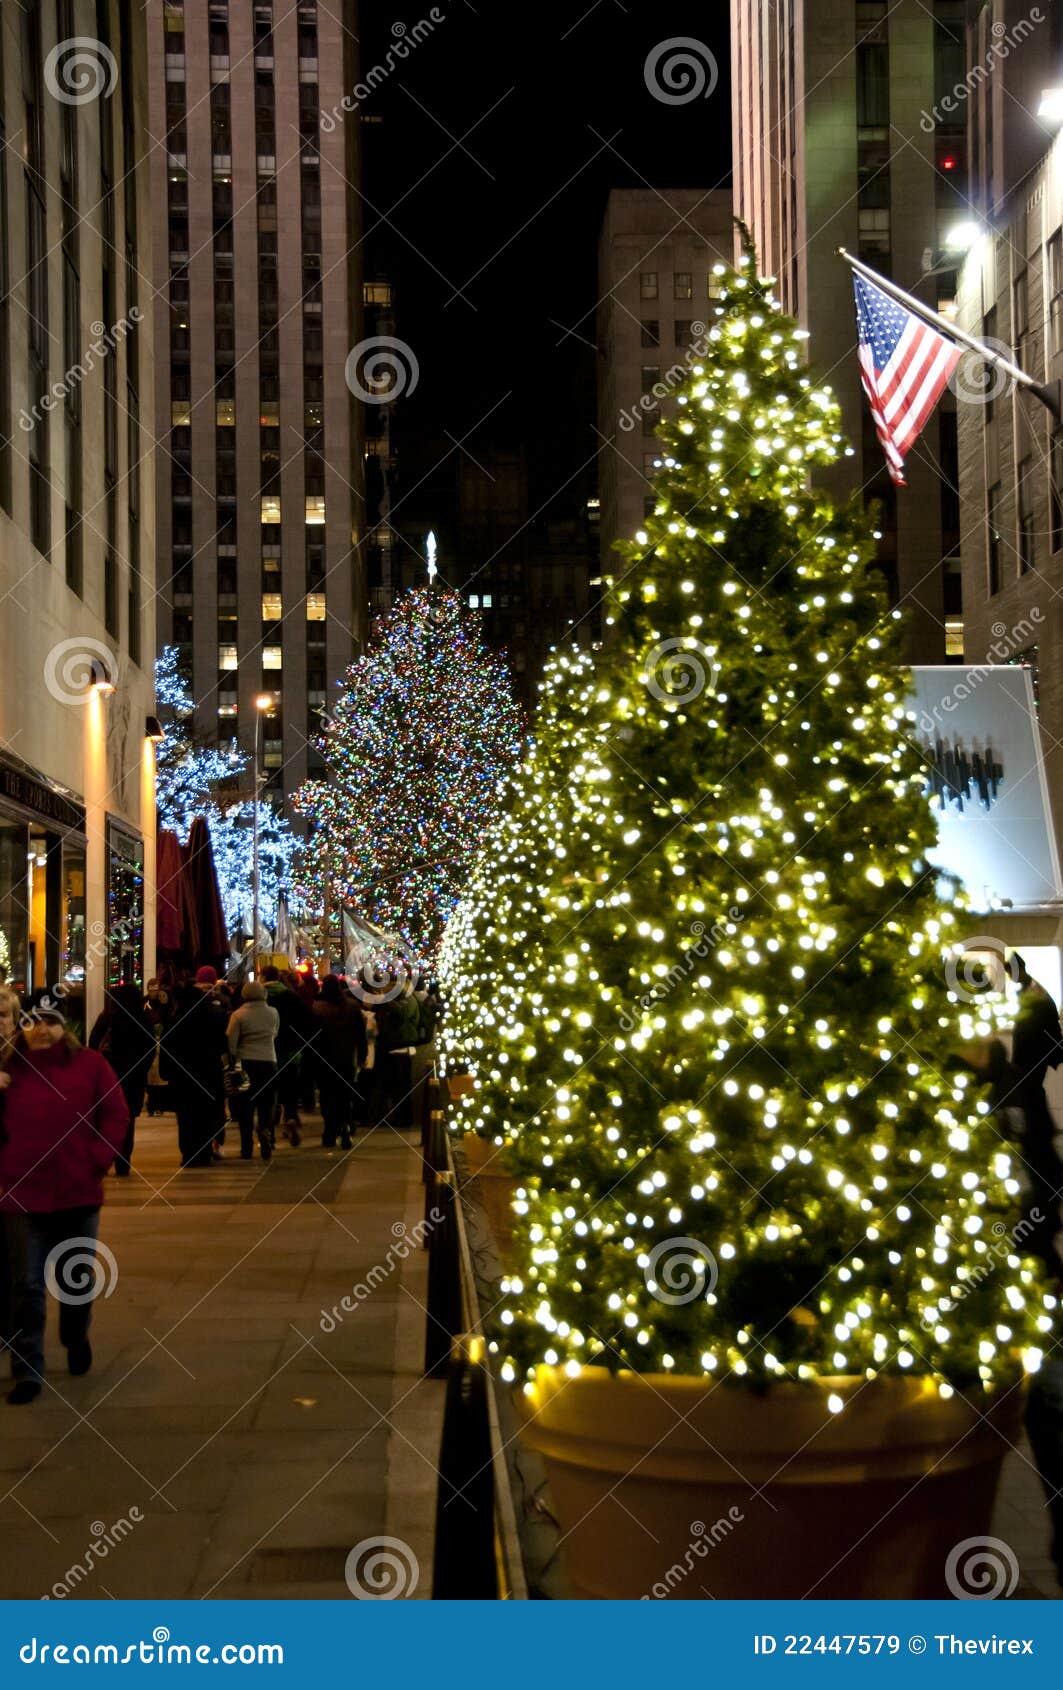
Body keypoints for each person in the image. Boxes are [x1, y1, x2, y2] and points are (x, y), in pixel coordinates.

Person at [0, 1002, 127, 1404]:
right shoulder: (10, 1070)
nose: (40, 1030)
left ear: (63, 1027)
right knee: (28, 1286)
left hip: (77, 1190)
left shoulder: (89, 1065)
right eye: (31, 1023)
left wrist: (96, 1160)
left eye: (49, 1022)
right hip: (21, 1191)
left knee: (76, 1279)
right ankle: (28, 1369)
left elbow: (115, 1114)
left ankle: (75, 1335)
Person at [1010, 954, 1063, 1270]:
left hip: (1028, 1084)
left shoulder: (1034, 998)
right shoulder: (1034, 995)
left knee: (1038, 1150)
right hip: (1029, 1085)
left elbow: (1043, 1040)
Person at [160, 968, 228, 1168]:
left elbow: (166, 1047)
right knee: (206, 1113)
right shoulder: (211, 1017)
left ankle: (188, 1152)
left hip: (183, 1077)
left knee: (186, 1116)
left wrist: (167, 1072)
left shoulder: (175, 1020)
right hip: (208, 1073)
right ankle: (204, 1151)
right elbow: (222, 1043)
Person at [88, 985, 156, 1176]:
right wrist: (141, 1069)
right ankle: (123, 1161)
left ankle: (105, 1156)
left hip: (109, 1076)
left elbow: (93, 1043)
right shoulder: (142, 1019)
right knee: (128, 1120)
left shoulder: (108, 1017)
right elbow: (150, 1048)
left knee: (105, 1118)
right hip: (133, 1078)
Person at [260, 966, 316, 1146]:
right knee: (289, 1090)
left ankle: (270, 1129)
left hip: (265, 1053)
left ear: (262, 977)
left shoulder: (258, 998)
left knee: (269, 1093)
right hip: (291, 1052)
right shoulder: (292, 997)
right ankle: (290, 1117)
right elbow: (309, 1021)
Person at [226, 980, 280, 1161]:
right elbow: (275, 1034)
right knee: (266, 1102)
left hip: (246, 1063)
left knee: (245, 1106)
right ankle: (266, 1131)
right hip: (268, 1060)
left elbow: (231, 1043)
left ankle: (246, 1147)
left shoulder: (238, 1015)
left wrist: (232, 1063)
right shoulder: (273, 1013)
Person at [313, 975, 367, 1150]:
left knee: (327, 1096)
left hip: (324, 1061)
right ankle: (345, 1126)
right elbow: (361, 1035)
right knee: (344, 1095)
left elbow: (311, 1038)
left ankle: (329, 1131)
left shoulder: (317, 1008)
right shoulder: (352, 1007)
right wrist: (362, 1055)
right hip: (346, 1059)